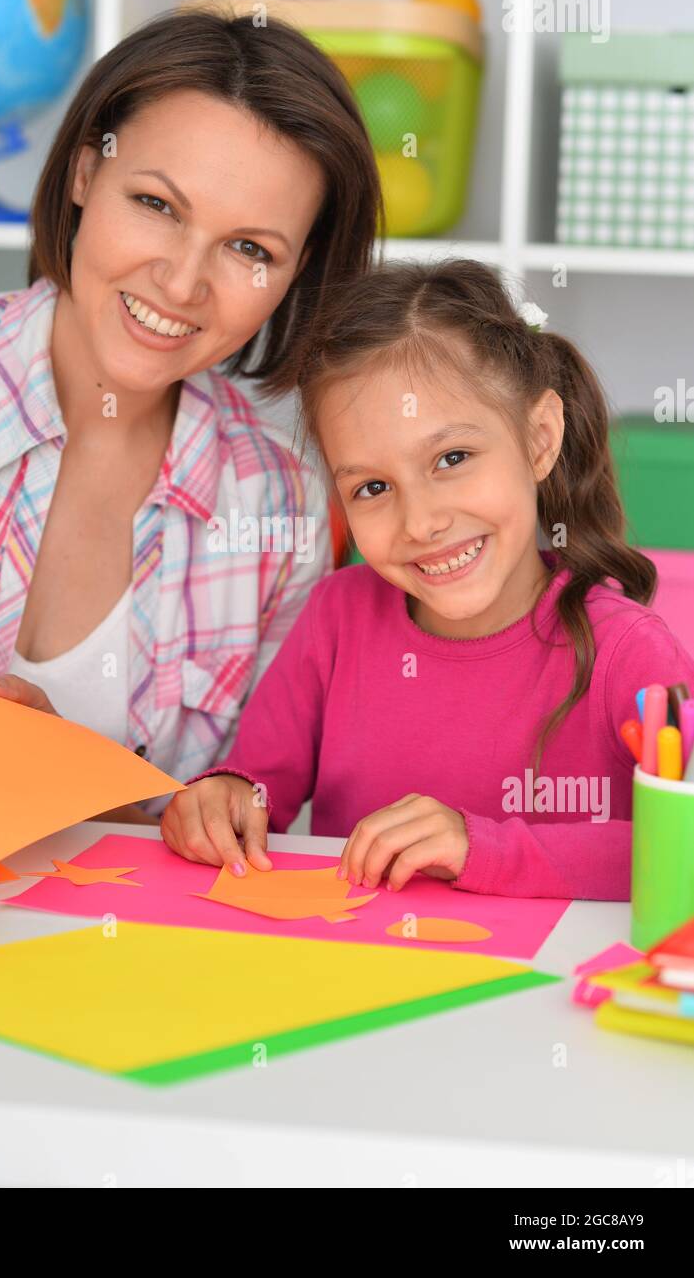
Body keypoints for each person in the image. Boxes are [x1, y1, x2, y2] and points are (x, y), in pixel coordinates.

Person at [0, 7, 381, 813]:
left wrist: (72, 780)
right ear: (86, 174)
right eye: (157, 204)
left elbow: (230, 820)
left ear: (296, 276)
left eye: (249, 249)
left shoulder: (278, 504)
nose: (183, 282)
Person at [160, 259, 694, 898]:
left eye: (452, 458)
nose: (421, 522)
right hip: (360, 980)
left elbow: (681, 847)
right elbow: (256, 786)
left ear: (539, 439)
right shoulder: (337, 616)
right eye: (373, 487)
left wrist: (482, 848)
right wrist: (221, 797)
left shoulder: (626, 650)